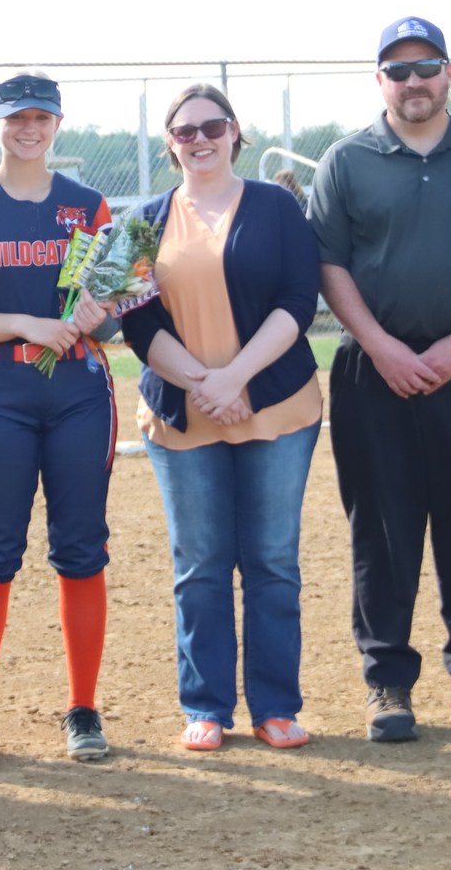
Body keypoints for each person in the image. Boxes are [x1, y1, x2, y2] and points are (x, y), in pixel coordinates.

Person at [308, 16, 451, 742]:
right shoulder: (346, 159)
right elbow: (330, 265)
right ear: (380, 81)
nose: (413, 82)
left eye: (426, 66)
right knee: (383, 527)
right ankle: (389, 685)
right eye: (397, 71)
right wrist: (379, 346)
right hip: (375, 368)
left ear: (448, 73)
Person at [123, 85, 323, 752]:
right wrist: (205, 384)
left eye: (212, 126)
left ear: (236, 132)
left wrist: (236, 379)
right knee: (201, 562)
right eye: (184, 131)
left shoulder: (276, 205)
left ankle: (275, 705)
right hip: (185, 410)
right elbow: (138, 316)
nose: (199, 138)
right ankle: (206, 703)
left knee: (271, 559)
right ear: (170, 143)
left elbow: (300, 296)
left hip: (275, 405)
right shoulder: (148, 220)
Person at [0, 73, 117, 766]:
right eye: (16, 117)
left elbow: (111, 302)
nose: (28, 128)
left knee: (81, 548)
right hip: (3, 383)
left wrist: (103, 312)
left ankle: (84, 707)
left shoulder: (87, 205)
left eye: (41, 117)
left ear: (59, 122)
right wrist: (26, 323)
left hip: (78, 386)